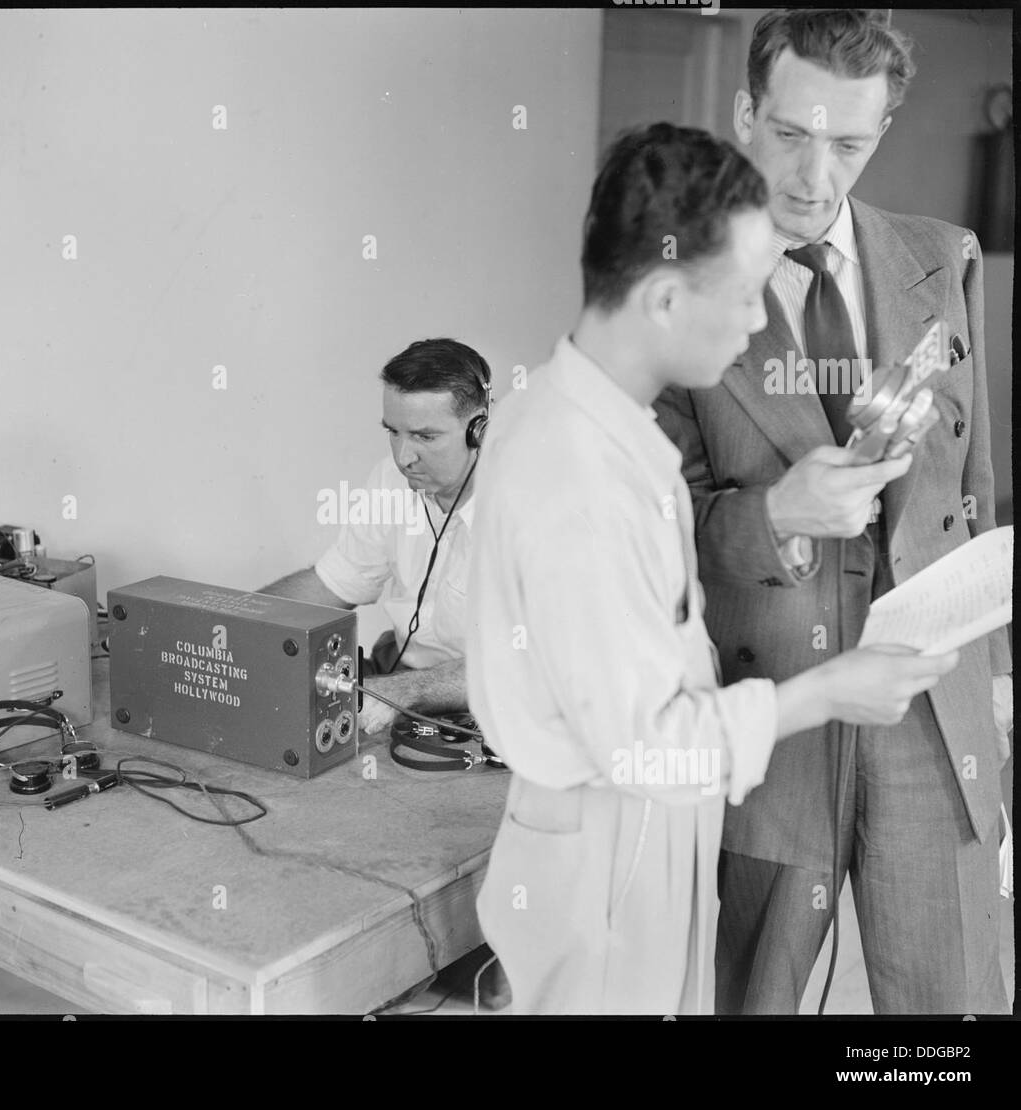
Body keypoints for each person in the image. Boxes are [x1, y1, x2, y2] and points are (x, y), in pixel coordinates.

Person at [467, 121, 960, 1015]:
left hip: (641, 844)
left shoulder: (617, 430)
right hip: (606, 868)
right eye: (743, 294)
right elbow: (640, 744)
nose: (756, 320)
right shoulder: (576, 473)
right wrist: (828, 692)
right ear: (662, 297)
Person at [653, 9, 1011, 1014]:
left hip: (929, 710)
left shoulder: (946, 259)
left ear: (882, 132)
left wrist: (996, 691)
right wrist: (777, 513)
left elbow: (972, 498)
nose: (814, 177)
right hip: (776, 711)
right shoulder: (672, 294)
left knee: (951, 1015)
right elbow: (652, 533)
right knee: (754, 999)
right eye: (789, 136)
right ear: (741, 114)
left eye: (847, 144)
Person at [261, 337, 490, 735]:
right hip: (399, 673)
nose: (404, 458)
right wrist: (236, 620)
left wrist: (400, 694)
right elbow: (332, 584)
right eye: (394, 432)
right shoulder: (391, 477)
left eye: (425, 436)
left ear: (478, 429)